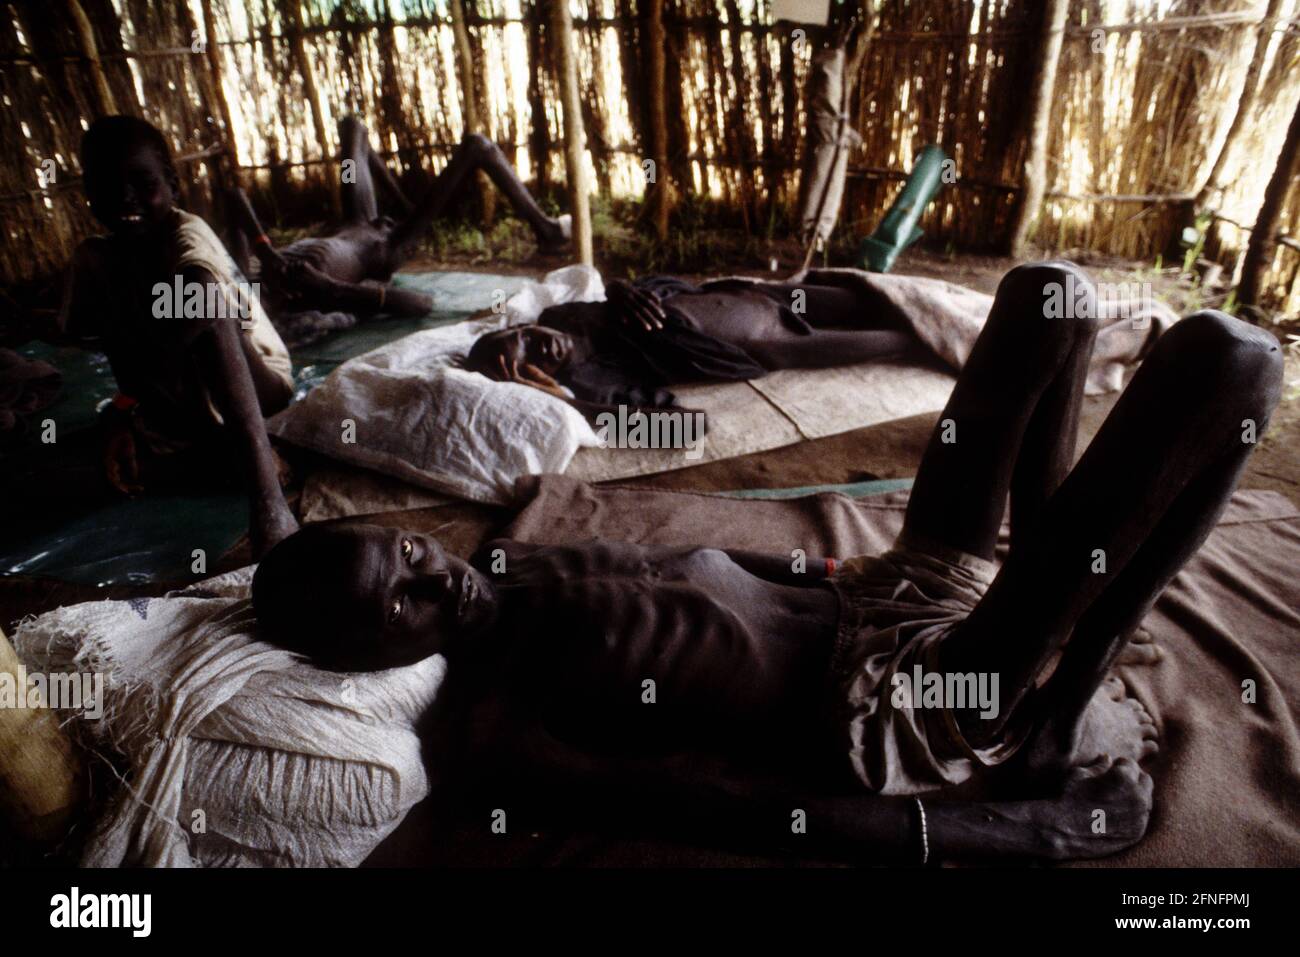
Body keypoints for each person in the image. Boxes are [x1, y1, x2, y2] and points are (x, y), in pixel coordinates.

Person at [253, 262, 1284, 862]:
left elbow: (727, 573)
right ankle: (1055, 679)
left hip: (888, 596)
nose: (437, 572)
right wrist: (1025, 829)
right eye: (402, 601)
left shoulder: (514, 568)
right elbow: (734, 812)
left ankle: (1057, 608)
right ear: (362, 656)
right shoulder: (491, 727)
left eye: (408, 553)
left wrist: (840, 577)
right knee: (1227, 359)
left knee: (1046, 298)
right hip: (910, 705)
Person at [52, 115, 298, 557]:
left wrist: (133, 397)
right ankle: (223, 458)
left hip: (256, 383)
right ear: (89, 196)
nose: (125, 196)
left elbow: (201, 302)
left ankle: (267, 496)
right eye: (107, 185)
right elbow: (98, 338)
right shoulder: (99, 257)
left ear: (171, 184)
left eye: (142, 181)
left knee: (202, 307)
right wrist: (125, 413)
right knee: (80, 474)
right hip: (179, 392)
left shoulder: (186, 232)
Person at [228, 116, 571, 347]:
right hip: (384, 247)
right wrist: (328, 287)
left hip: (354, 220)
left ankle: (402, 201)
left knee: (351, 128)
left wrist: (265, 252)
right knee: (476, 146)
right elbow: (420, 304)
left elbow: (234, 197)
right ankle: (548, 230)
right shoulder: (308, 300)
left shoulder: (247, 277)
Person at [462, 275, 915, 415]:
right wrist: (562, 402)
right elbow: (680, 428)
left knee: (891, 299)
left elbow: (610, 286)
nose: (540, 346)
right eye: (528, 361)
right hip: (777, 343)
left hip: (752, 294)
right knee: (908, 337)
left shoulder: (557, 316)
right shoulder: (589, 382)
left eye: (523, 337)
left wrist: (623, 291)